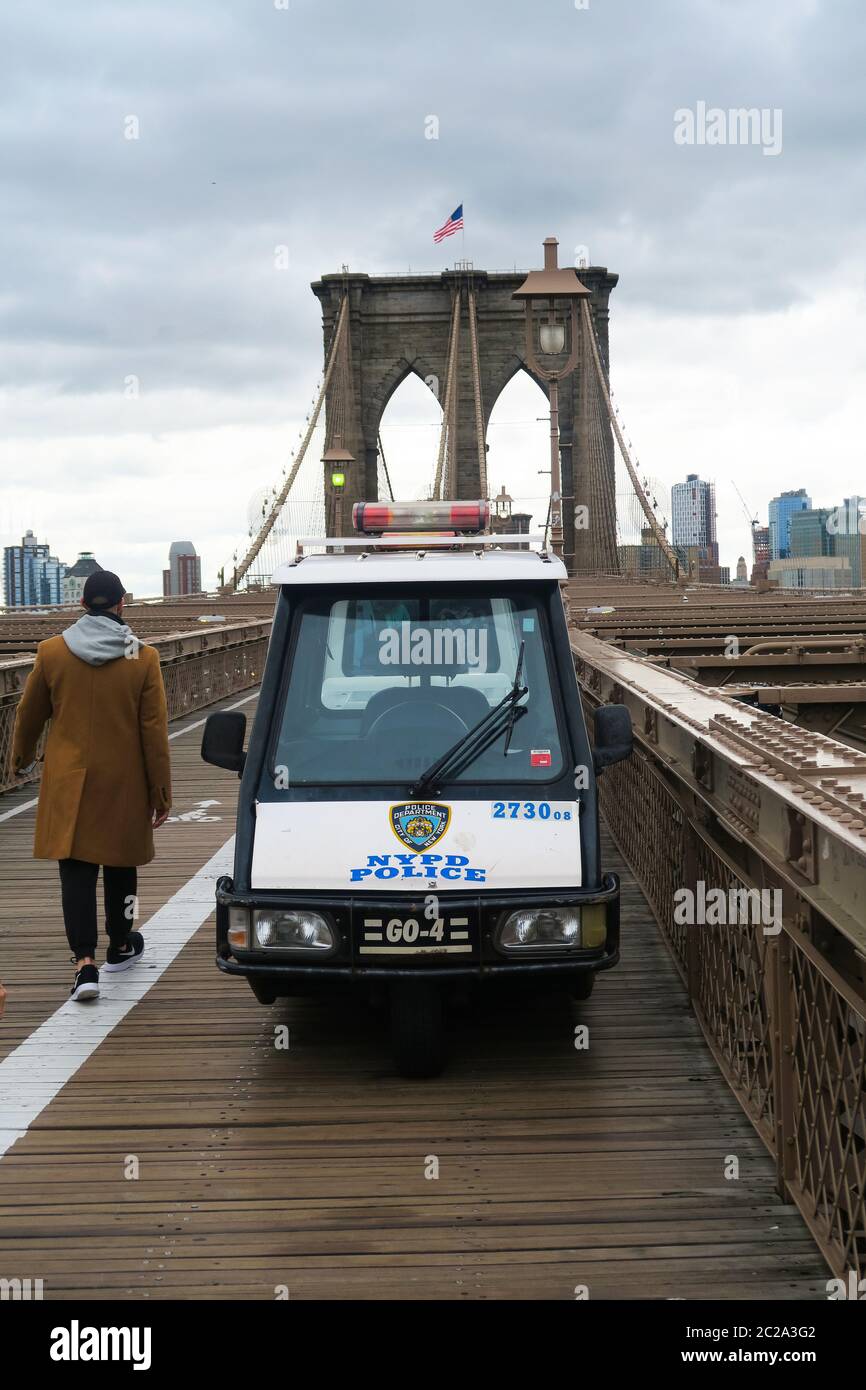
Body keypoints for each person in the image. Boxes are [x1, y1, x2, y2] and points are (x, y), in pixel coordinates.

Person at [11, 570, 172, 1002]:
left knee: (76, 871)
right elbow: (154, 732)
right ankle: (121, 943)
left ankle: (84, 964)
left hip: (69, 783)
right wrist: (160, 793)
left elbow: (28, 716)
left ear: (83, 604)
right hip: (124, 782)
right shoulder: (143, 656)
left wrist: (19, 760)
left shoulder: (51, 653)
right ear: (122, 605)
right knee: (123, 866)